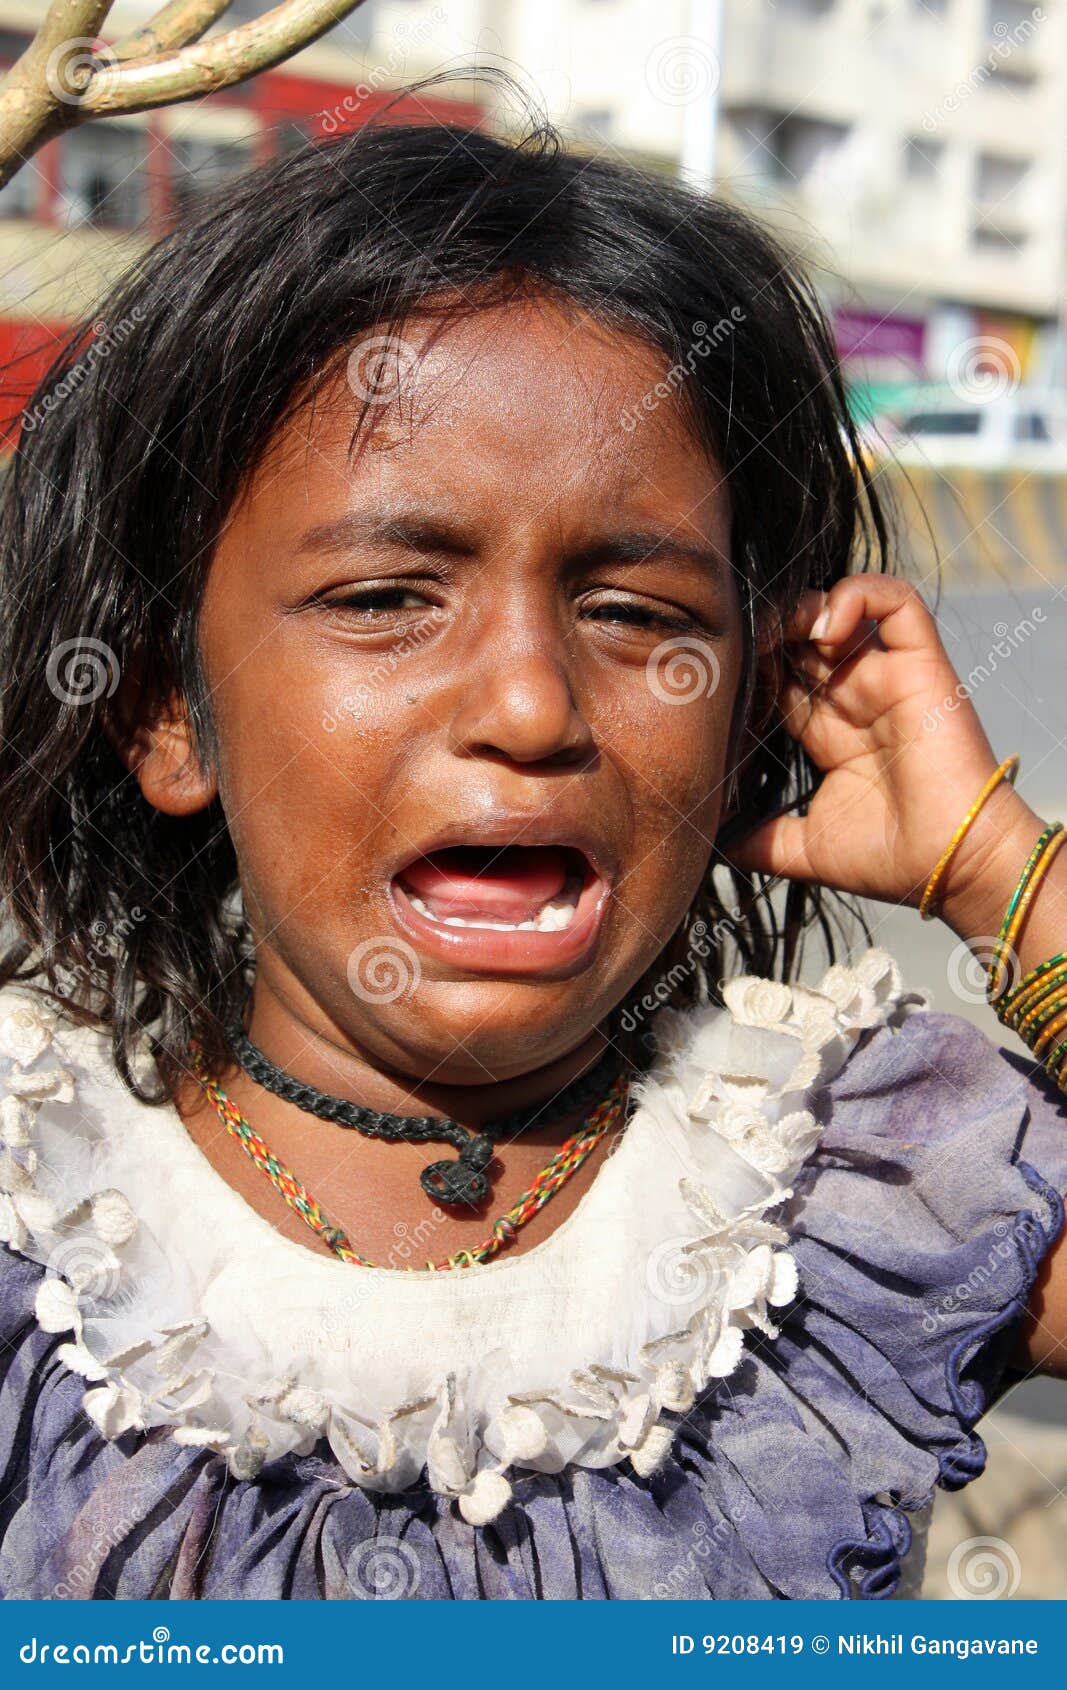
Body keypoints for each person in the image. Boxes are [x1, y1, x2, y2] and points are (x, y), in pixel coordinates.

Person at [0, 92, 1065, 1602]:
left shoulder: (848, 1194)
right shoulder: (38, 1217)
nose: (528, 704)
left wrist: (989, 862)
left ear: (751, 707)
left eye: (637, 615)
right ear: (169, 710)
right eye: (385, 598)